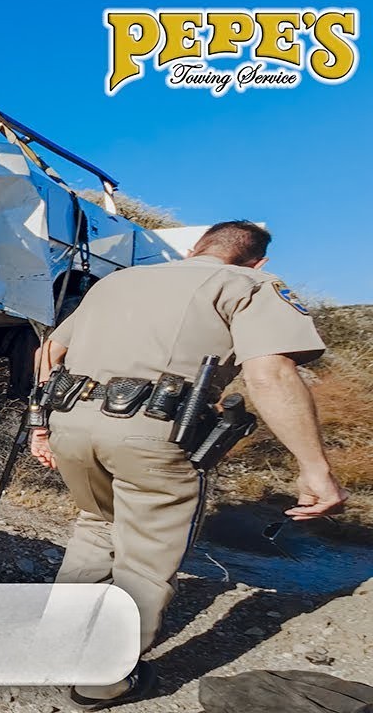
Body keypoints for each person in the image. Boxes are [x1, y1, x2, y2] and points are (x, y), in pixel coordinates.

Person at [29, 221, 349, 710]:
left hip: (73, 422)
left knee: (96, 526)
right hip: (155, 431)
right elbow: (269, 373)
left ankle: (59, 643)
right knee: (145, 559)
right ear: (258, 260)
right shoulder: (248, 285)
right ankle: (101, 680)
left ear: (193, 248)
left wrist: (41, 427)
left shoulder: (118, 280)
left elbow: (48, 351)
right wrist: (315, 468)